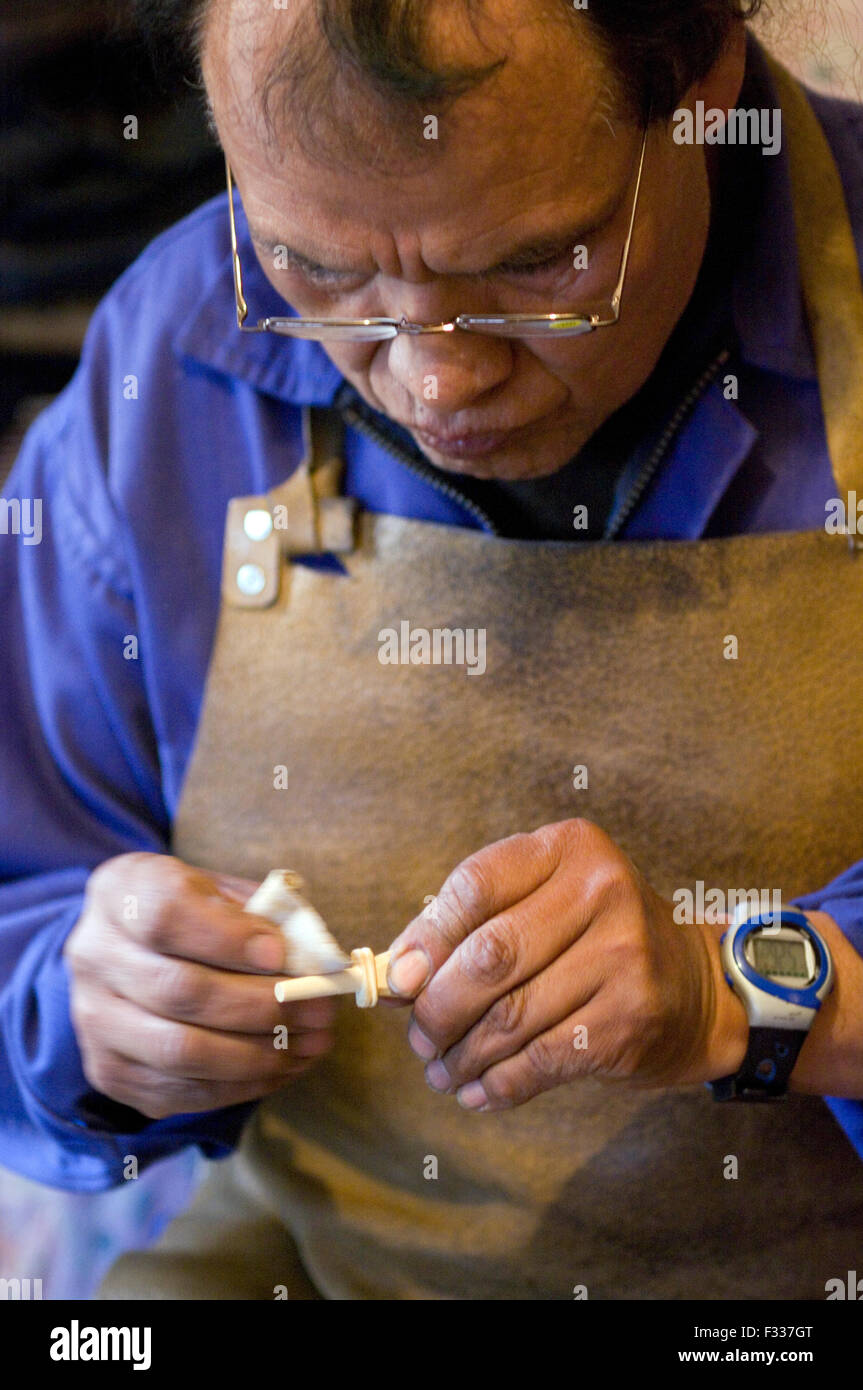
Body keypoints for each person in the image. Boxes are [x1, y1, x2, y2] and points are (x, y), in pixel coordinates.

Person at [1, 0, 863, 1300]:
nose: (434, 384)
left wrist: (746, 993)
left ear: (702, 79)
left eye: (537, 264)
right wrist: (84, 1007)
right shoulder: (168, 365)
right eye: (318, 269)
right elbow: (22, 893)